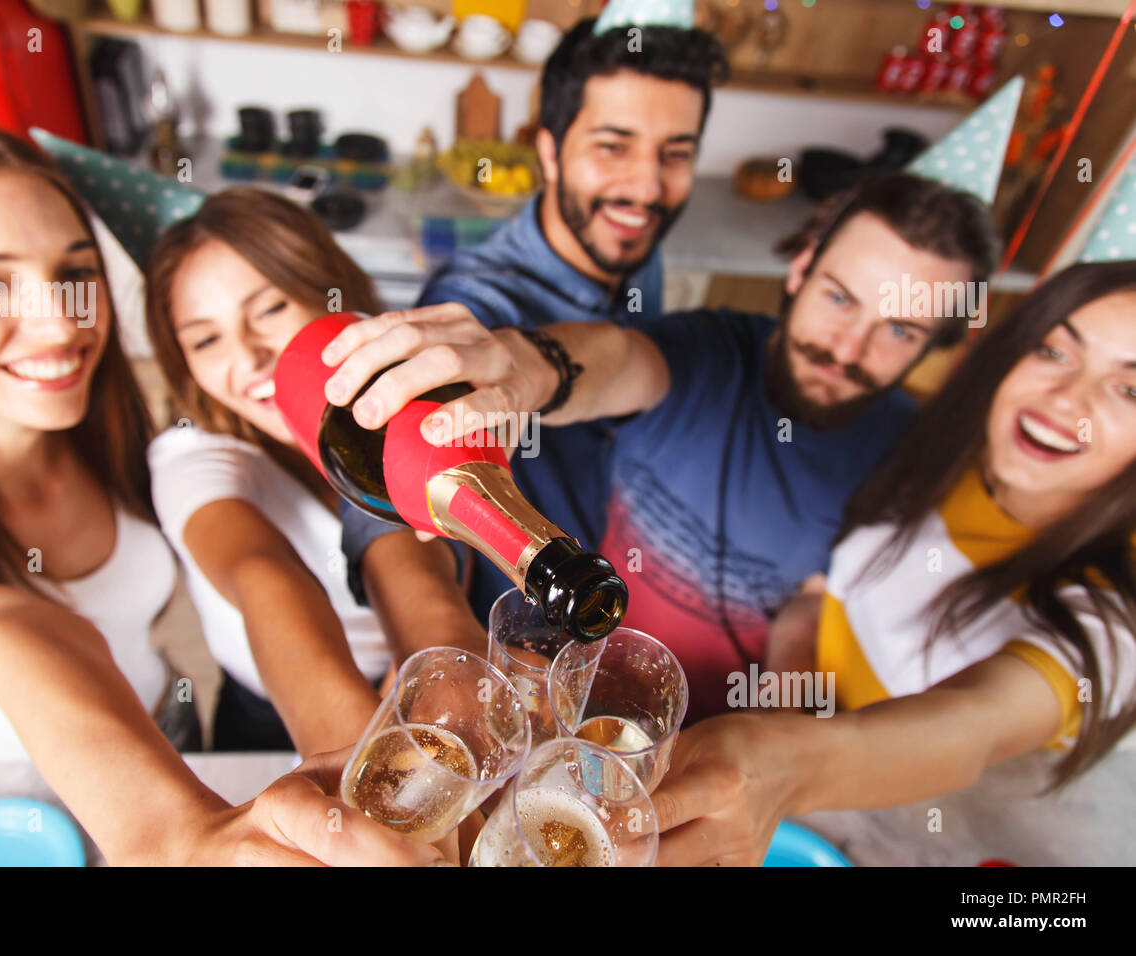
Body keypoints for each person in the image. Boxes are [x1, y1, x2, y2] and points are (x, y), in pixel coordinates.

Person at [0, 124, 441, 866]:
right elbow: (14, 637)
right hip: (29, 806)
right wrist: (167, 834)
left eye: (74, 273)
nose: (60, 322)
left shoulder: (107, 438)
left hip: (179, 743)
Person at [321, 172, 1000, 720]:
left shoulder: (909, 451)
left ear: (939, 341)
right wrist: (530, 365)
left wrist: (781, 719)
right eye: (840, 298)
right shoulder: (706, 350)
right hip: (559, 686)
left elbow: (817, 595)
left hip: (709, 729)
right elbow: (616, 359)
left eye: (902, 332)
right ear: (801, 269)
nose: (847, 350)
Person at [647, 261, 1136, 865]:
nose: (1066, 401)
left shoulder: (1112, 618)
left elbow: (969, 732)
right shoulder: (939, 439)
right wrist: (779, 713)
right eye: (1054, 352)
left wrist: (781, 762)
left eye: (1129, 389)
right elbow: (820, 598)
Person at [335, 16, 730, 624]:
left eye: (675, 155)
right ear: (548, 149)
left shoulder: (632, 253)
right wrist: (435, 633)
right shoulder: (475, 301)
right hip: (519, 624)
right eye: (613, 146)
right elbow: (387, 484)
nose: (647, 188)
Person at [143, 187, 483, 755]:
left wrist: (419, 661)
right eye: (206, 340)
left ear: (333, 294)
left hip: (410, 675)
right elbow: (263, 575)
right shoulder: (191, 459)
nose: (250, 357)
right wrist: (360, 756)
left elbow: (418, 547)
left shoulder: (403, 389)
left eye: (270, 309)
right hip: (269, 720)